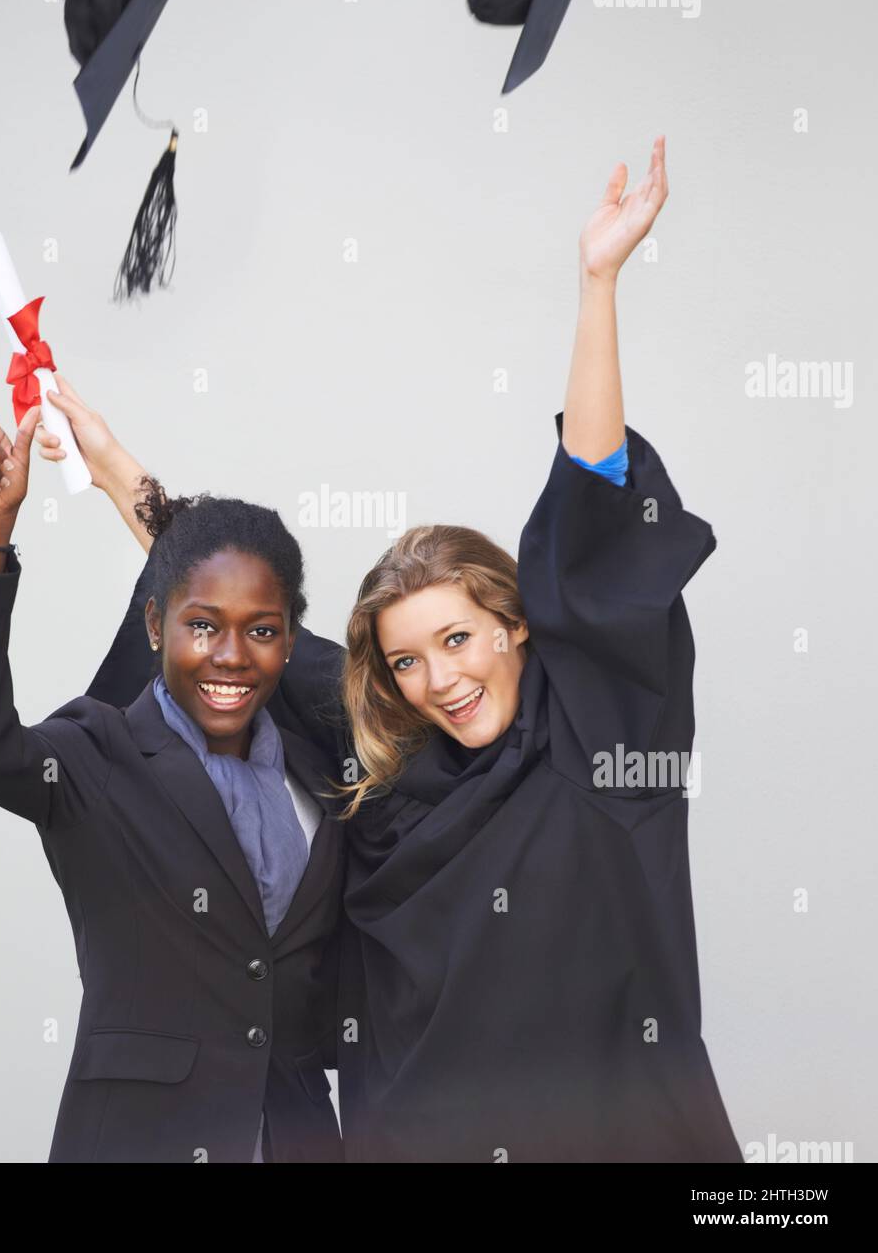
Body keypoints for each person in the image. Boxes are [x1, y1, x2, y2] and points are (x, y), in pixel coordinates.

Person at [40, 136, 742, 1162]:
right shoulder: (391, 768)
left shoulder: (602, 742)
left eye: (459, 639)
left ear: (520, 625)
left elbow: (592, 510)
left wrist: (597, 284)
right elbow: (236, 610)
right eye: (408, 659)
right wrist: (115, 477)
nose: (440, 679)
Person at [0, 389, 346, 1163]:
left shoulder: (322, 772)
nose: (229, 655)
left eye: (260, 631)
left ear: (290, 642)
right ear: (155, 626)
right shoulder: (98, 754)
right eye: (200, 626)